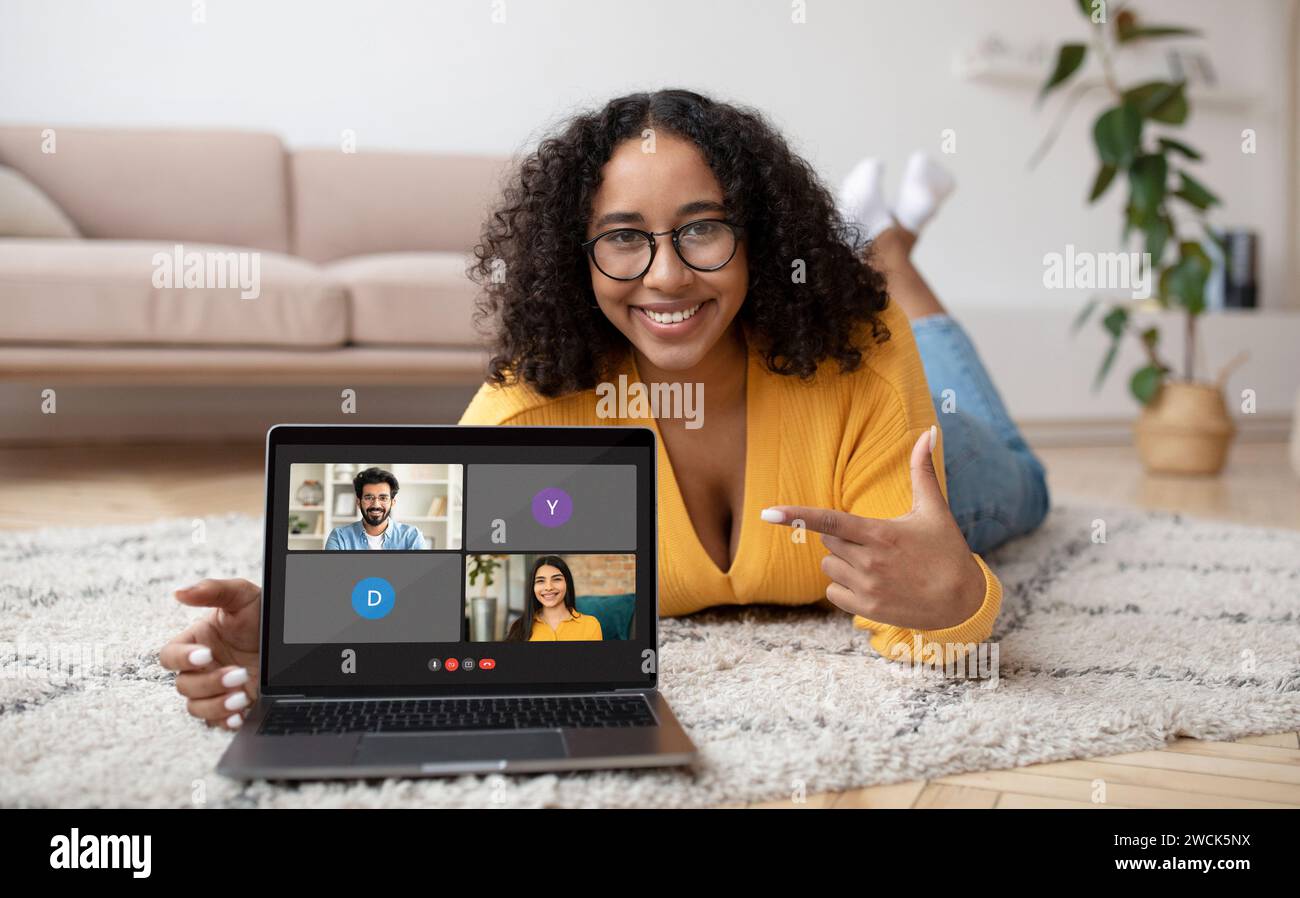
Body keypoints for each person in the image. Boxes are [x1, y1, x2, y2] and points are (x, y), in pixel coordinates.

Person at [160, 88, 1047, 731]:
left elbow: (926, 627)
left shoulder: (857, 351)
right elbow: (431, 578)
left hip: (928, 444)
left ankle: (888, 251)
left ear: (759, 240)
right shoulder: (530, 408)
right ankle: (886, 237)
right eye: (624, 237)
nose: (665, 276)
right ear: (577, 258)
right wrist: (290, 641)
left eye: (703, 228)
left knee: (1024, 481)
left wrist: (960, 594)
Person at [323, 467, 427, 550]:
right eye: (368, 497)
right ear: (358, 502)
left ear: (393, 502)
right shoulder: (339, 537)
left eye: (383, 498)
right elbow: (333, 575)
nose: (376, 504)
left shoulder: (412, 537)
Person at [505, 556, 604, 642]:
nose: (548, 587)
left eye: (556, 579)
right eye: (540, 581)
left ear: (567, 583)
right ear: (532, 587)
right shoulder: (519, 627)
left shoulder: (590, 625)